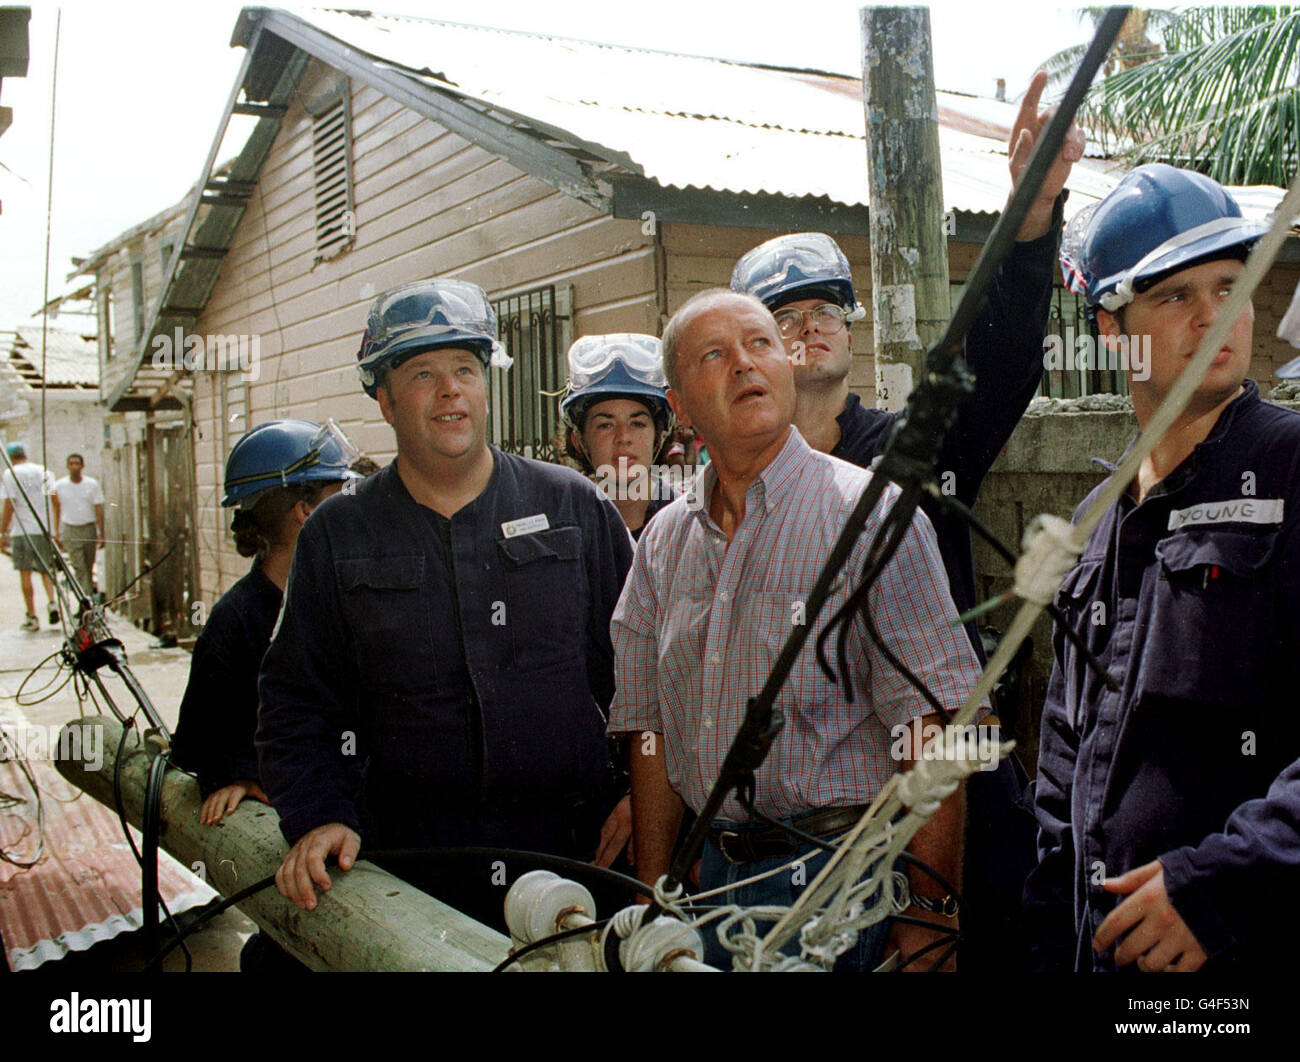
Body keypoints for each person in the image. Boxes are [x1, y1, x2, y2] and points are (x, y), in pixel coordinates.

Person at [727, 71, 1083, 972]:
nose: (807, 330)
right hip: (793, 833)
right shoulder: (719, 496)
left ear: (850, 332)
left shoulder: (916, 447)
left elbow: (1000, 361)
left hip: (947, 807)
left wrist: (1030, 221)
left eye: (823, 311)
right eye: (781, 317)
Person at [609, 289, 985, 971]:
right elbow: (649, 729)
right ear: (681, 407)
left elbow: (934, 723)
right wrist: (654, 892)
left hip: (839, 883)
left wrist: (929, 913)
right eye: (715, 355)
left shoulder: (869, 518)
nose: (746, 365)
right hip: (708, 882)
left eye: (759, 345)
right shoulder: (663, 545)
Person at [255, 278, 635, 932]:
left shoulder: (574, 507)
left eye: (465, 369)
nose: (450, 389)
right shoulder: (338, 534)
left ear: (486, 386)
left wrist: (642, 798)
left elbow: (648, 669)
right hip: (411, 864)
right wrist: (318, 813)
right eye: (423, 374)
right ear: (385, 401)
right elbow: (296, 700)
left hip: (577, 848)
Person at [1025, 163, 1300, 972]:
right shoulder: (1094, 524)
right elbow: (1063, 766)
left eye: (1228, 285)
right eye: (1175, 297)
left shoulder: (1289, 471)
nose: (1213, 317)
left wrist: (1221, 885)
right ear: (1113, 330)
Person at [171, 418, 358, 971]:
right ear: (306, 510)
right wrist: (238, 775)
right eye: (339, 492)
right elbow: (196, 740)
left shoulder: (348, 600)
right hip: (297, 842)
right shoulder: (236, 620)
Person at [559, 333, 677, 541]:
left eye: (637, 423)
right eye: (606, 425)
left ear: (658, 437)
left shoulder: (688, 521)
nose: (623, 437)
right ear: (579, 441)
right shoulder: (564, 526)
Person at [0, 443, 59, 631]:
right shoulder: (44, 471)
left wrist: (2, 533)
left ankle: (32, 616)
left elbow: (9, 505)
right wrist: (55, 530)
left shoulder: (10, 474)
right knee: (46, 570)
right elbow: (55, 500)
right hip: (43, 528)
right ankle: (52, 603)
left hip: (22, 530)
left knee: (25, 572)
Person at [51, 454, 106, 600]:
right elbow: (56, 508)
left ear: (82, 466)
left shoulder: (92, 484)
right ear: (67, 466)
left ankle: (87, 600)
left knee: (88, 566)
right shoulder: (59, 485)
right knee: (79, 567)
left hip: (88, 528)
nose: (74, 466)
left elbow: (98, 509)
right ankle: (85, 602)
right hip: (70, 529)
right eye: (71, 463)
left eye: (77, 463)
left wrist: (101, 532)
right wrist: (56, 531)